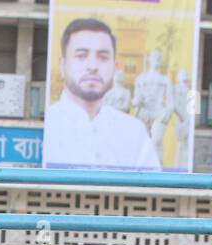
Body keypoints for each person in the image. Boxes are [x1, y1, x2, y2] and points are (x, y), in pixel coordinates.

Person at [43, 18, 161, 171]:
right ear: (62, 65)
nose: (92, 66)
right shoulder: (45, 126)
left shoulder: (134, 131)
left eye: (103, 57)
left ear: (115, 66)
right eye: (81, 56)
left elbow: (153, 191)